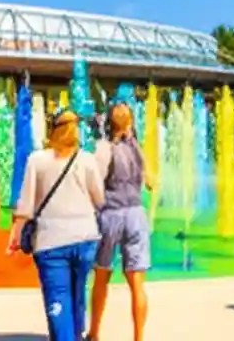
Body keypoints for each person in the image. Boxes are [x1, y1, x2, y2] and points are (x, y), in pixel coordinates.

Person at [9, 111, 105, 341]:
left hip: (50, 241)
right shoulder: (87, 160)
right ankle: (75, 335)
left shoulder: (37, 160)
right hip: (84, 239)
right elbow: (100, 199)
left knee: (58, 297)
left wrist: (15, 233)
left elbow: (25, 204)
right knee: (77, 294)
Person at [88, 104, 154, 341]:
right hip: (136, 215)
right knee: (137, 283)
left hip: (111, 215)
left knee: (102, 275)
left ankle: (94, 333)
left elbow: (95, 183)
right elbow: (151, 181)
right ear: (130, 122)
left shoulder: (105, 148)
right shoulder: (137, 149)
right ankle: (138, 337)